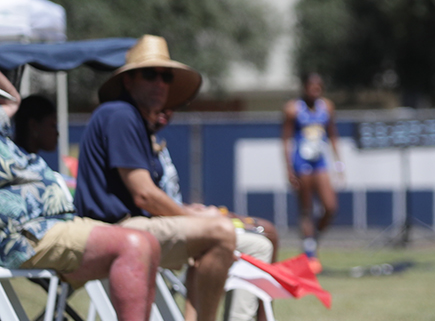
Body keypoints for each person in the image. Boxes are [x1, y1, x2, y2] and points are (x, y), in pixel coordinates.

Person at [74, 35, 237, 321]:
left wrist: (191, 214)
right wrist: (196, 219)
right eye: (151, 75)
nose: (160, 83)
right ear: (128, 81)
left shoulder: (135, 120)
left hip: (137, 226)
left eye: (166, 76)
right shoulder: (120, 114)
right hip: (115, 230)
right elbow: (144, 195)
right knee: (220, 233)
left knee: (259, 241)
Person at [0, 70, 160, 321]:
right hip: (24, 234)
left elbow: (11, 99)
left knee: (148, 243)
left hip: (54, 224)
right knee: (134, 245)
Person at [151, 107, 279, 321]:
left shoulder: (156, 144)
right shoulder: (132, 136)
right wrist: (194, 217)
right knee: (258, 236)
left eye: (170, 105)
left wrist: (194, 210)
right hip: (166, 228)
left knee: (266, 231)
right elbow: (146, 199)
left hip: (179, 219)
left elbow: (164, 199)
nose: (165, 111)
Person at [281, 73, 342, 271]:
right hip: (302, 162)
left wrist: (338, 162)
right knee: (306, 209)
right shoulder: (293, 109)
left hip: (320, 162)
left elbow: (332, 134)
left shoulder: (327, 107)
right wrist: (289, 169)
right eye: (311, 87)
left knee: (330, 206)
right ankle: (309, 252)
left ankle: (313, 238)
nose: (315, 91)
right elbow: (286, 140)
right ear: (304, 87)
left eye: (318, 87)